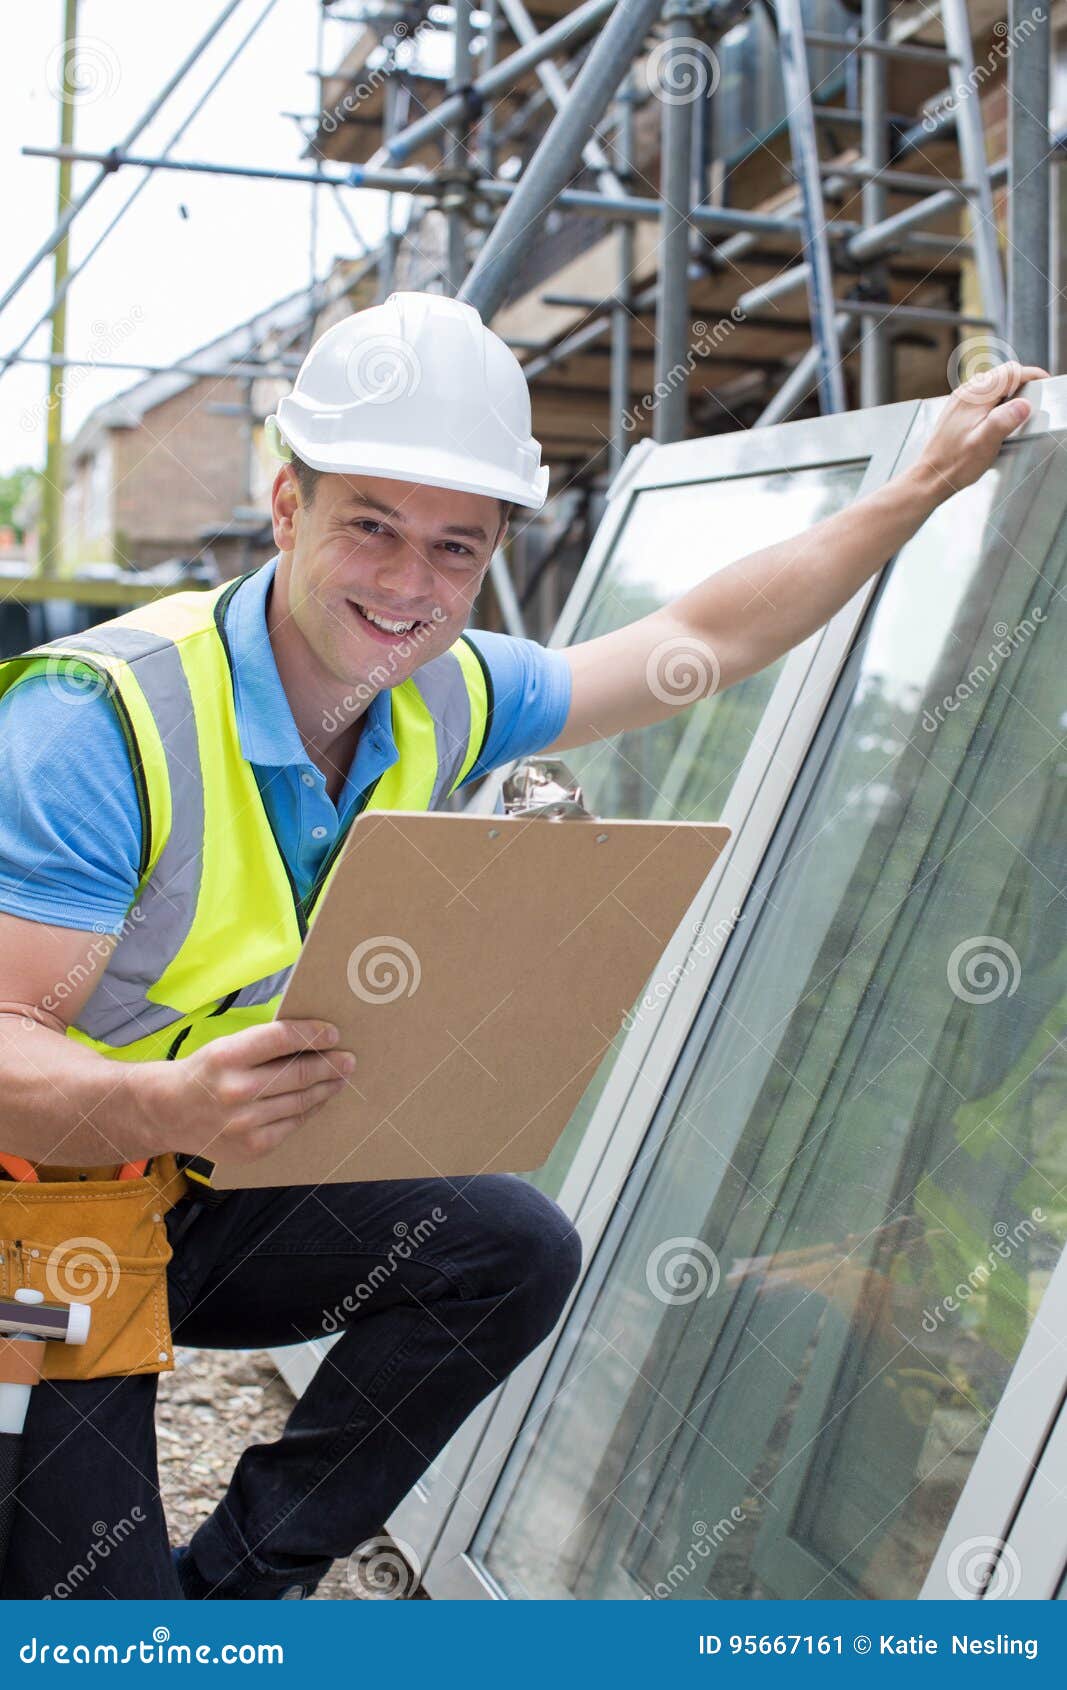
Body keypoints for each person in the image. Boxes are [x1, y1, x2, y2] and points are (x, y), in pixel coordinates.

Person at [0, 290, 1046, 1599]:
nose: (406, 584)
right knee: (93, 1628)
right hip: (36, 1221)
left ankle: (242, 1590)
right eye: (370, 527)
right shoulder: (103, 720)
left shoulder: (446, 688)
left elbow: (699, 640)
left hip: (193, 1178)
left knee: (508, 1246)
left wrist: (921, 490)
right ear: (287, 508)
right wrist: (162, 1095)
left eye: (453, 548)